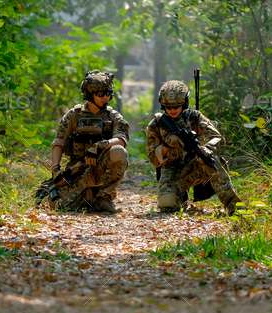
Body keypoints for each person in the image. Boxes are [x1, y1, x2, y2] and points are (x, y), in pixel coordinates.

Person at [145, 80, 242, 214]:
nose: (172, 110)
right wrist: (167, 144)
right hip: (172, 169)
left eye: (177, 106)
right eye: (168, 107)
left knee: (210, 161)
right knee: (167, 206)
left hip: (196, 164)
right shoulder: (156, 124)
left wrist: (207, 148)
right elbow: (154, 160)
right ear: (162, 105)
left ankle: (235, 207)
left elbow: (218, 138)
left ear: (184, 103)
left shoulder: (194, 117)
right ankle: (181, 197)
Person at [49, 69, 129, 213]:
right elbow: (59, 141)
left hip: (101, 170)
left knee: (118, 151)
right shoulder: (74, 115)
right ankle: (90, 197)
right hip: (78, 169)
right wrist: (55, 168)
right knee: (60, 206)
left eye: (109, 93)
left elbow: (121, 140)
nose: (106, 97)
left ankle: (104, 196)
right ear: (89, 94)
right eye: (101, 94)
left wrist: (101, 145)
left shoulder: (113, 116)